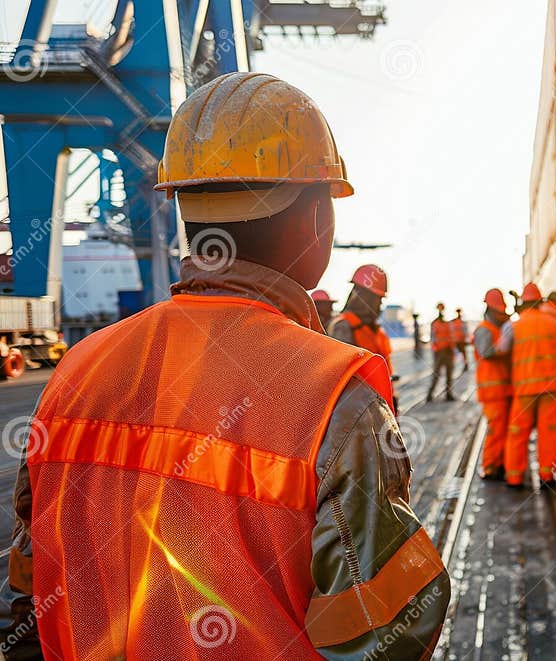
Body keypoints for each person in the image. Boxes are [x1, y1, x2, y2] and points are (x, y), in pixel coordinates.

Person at [1, 72, 449, 660]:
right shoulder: (333, 397)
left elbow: (27, 593)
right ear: (317, 217)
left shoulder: (76, 371)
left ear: (185, 209)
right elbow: (385, 634)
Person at [498, 282, 556, 489]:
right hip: (551, 389)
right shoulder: (555, 323)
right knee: (549, 432)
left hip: (525, 390)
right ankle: (547, 476)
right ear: (540, 302)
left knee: (518, 433)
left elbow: (501, 350)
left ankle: (514, 478)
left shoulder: (513, 326)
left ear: (523, 302)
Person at [473, 289, 513, 480]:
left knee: (503, 430)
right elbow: (486, 352)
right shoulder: (484, 329)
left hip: (502, 390)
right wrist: (504, 348)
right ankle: (490, 467)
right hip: (492, 391)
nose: (502, 316)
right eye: (499, 313)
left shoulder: (497, 329)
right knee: (496, 431)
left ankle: (499, 464)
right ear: (490, 310)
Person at [329, 264, 394, 376]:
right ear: (365, 298)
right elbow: (339, 375)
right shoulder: (343, 326)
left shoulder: (376, 330)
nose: (380, 304)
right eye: (378, 299)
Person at [427, 302, 455, 402]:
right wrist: (436, 350)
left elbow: (451, 336)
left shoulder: (448, 323)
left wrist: (452, 350)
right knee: (436, 374)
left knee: (449, 374)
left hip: (448, 351)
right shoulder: (434, 323)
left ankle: (449, 394)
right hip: (439, 352)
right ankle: (430, 395)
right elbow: (433, 338)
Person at [452, 307, 470, 374]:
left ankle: (466, 365)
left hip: (461, 340)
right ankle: (454, 365)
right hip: (456, 340)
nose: (458, 313)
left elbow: (466, 331)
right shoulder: (454, 321)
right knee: (456, 354)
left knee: (463, 354)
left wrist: (466, 339)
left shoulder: (463, 322)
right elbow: (452, 331)